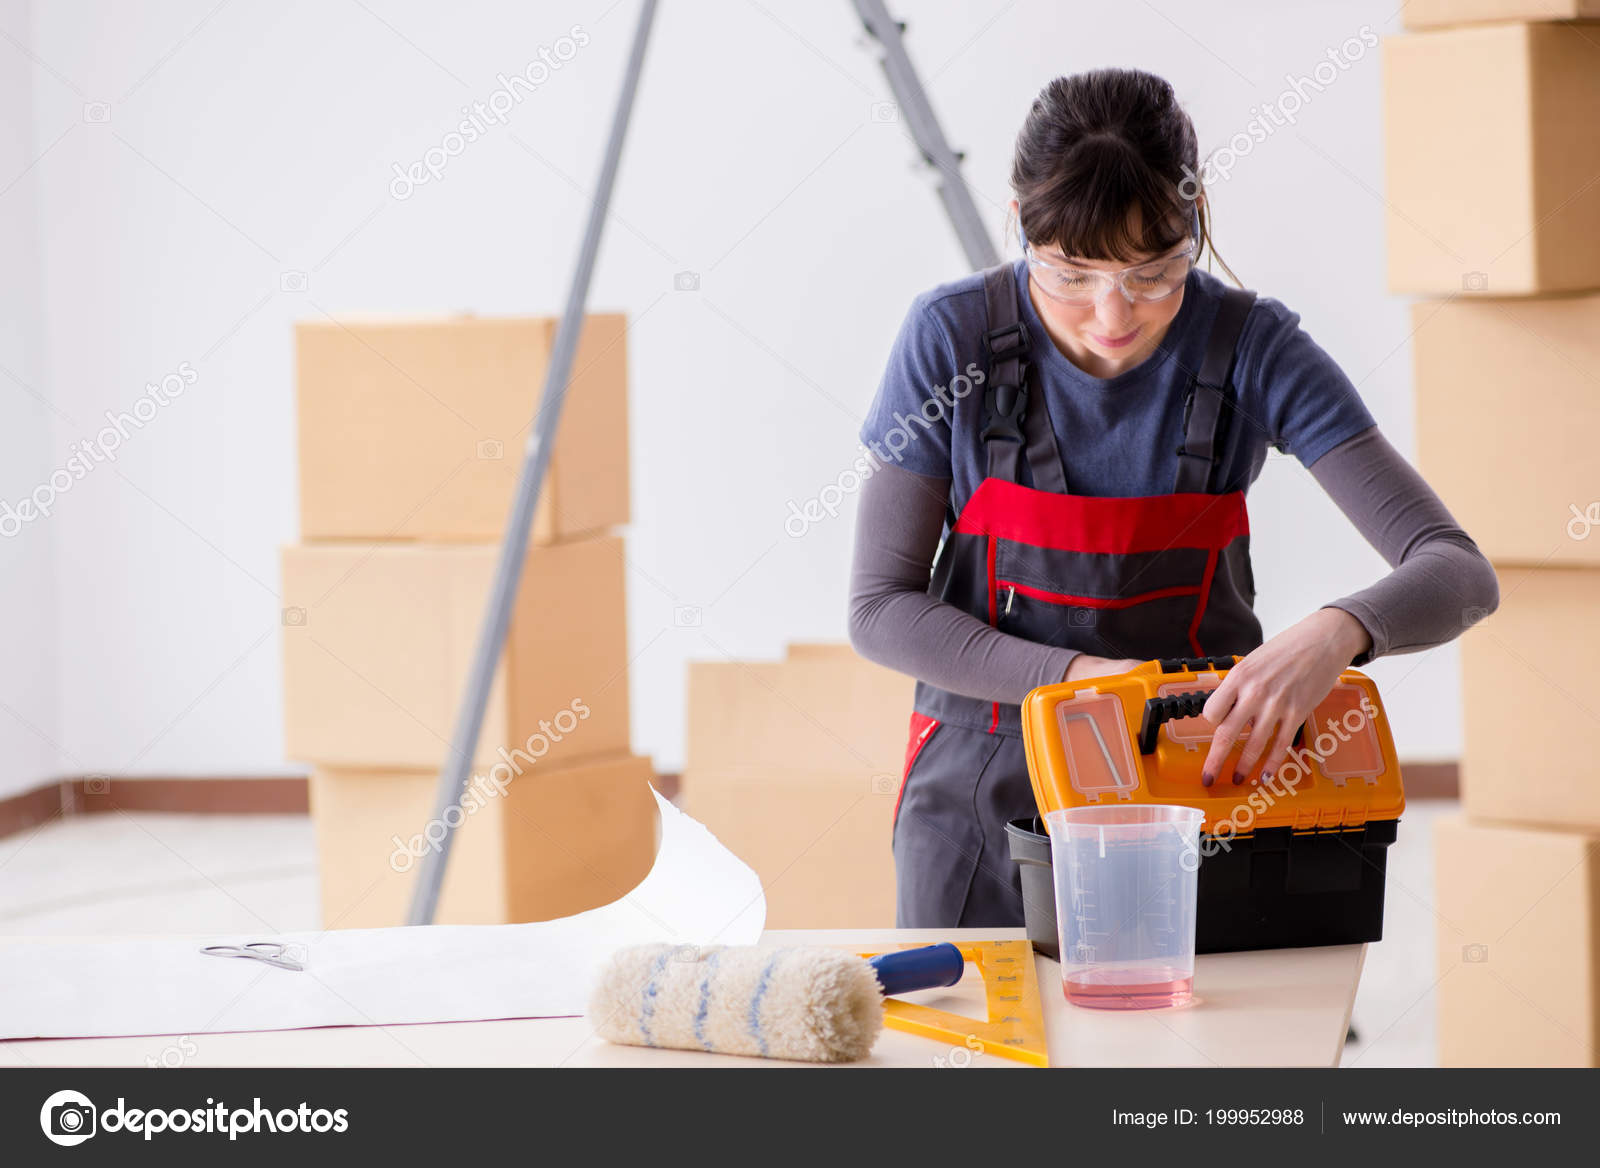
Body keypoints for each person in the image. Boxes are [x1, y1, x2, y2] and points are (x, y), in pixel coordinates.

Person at [848, 68, 1499, 929]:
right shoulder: (952, 338)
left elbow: (1458, 572)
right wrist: (1081, 683)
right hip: (980, 794)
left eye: (1153, 273)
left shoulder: (1252, 349)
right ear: (1020, 230)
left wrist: (1336, 634)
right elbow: (879, 608)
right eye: (1071, 274)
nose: (1112, 315)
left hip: (1198, 786)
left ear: (1194, 227)